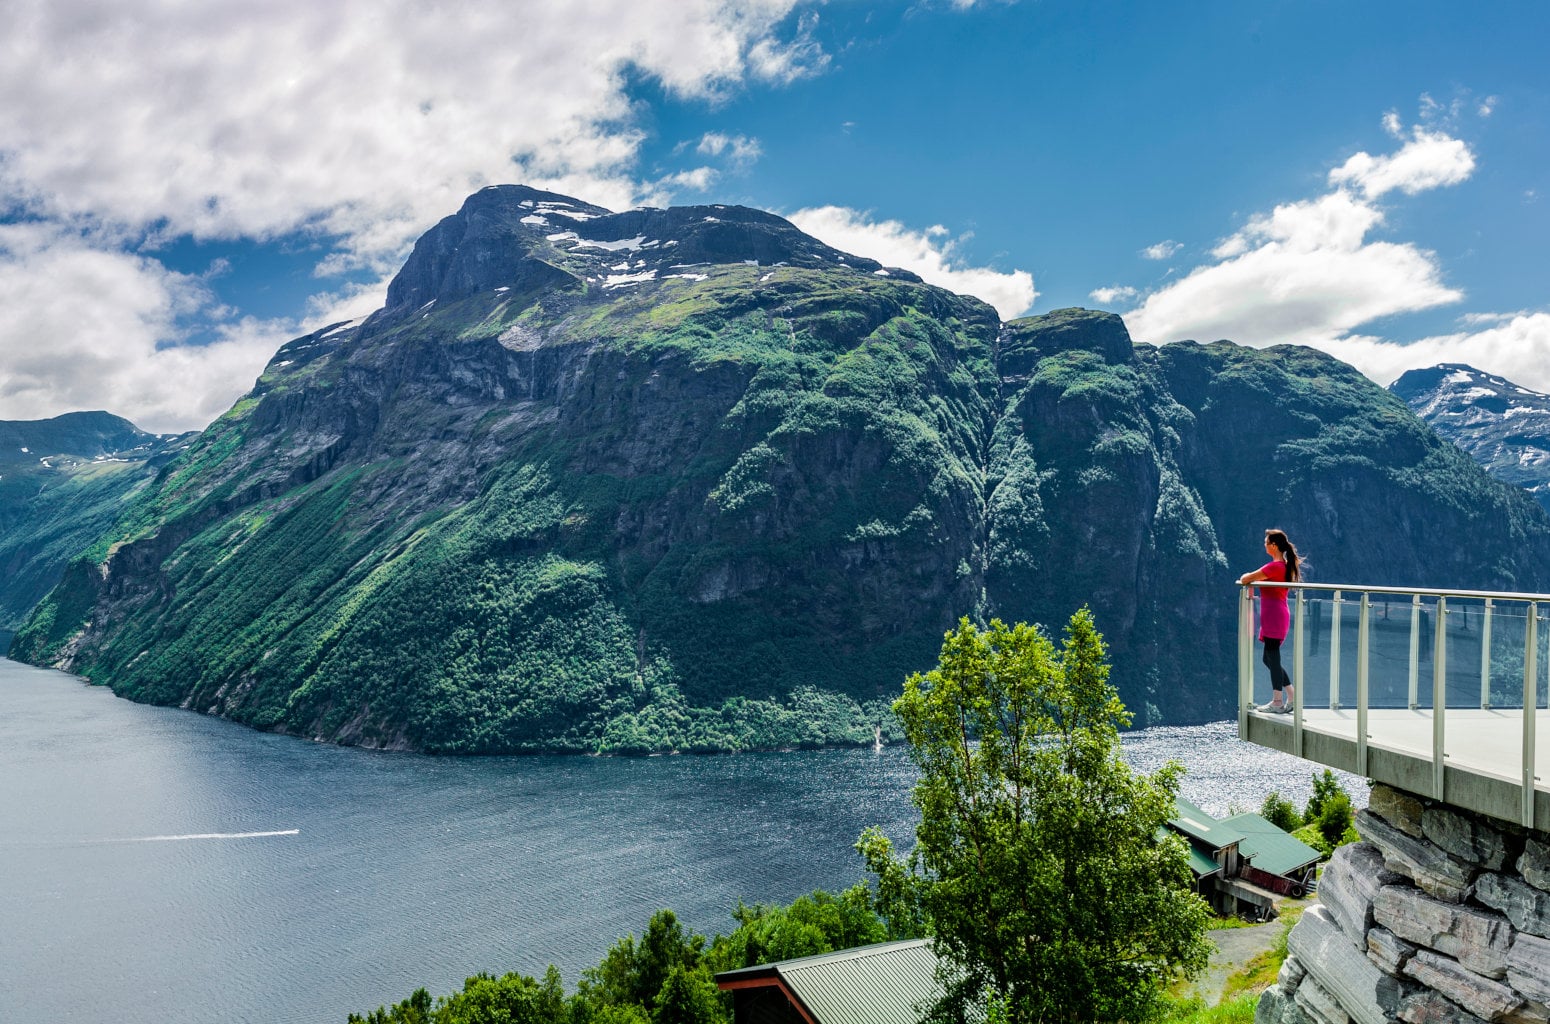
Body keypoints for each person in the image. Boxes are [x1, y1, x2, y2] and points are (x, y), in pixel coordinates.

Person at [1238, 528, 1300, 713]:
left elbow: (1245, 579)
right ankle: (1291, 696)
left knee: (1272, 657)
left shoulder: (1274, 567)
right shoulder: (1283, 566)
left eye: (1266, 543)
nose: (1264, 545)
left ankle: (1277, 701)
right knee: (1269, 658)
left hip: (1274, 618)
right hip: (1277, 616)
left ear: (1273, 546)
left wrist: (1248, 575)